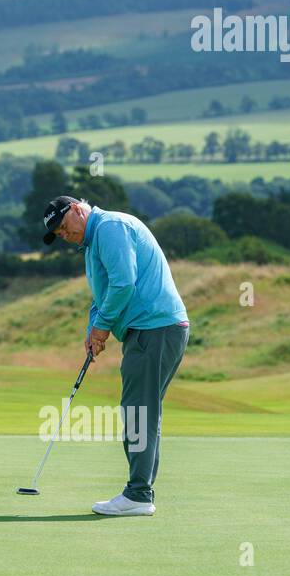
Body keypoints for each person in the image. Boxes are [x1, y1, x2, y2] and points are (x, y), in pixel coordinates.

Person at [41, 195, 190, 517]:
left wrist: (102, 328)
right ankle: (140, 491)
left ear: (79, 210)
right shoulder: (94, 242)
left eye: (65, 227)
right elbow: (104, 292)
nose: (65, 236)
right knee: (142, 412)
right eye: (59, 235)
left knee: (138, 412)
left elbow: (124, 284)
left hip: (155, 328)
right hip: (152, 330)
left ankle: (138, 494)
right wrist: (93, 329)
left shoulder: (110, 228)